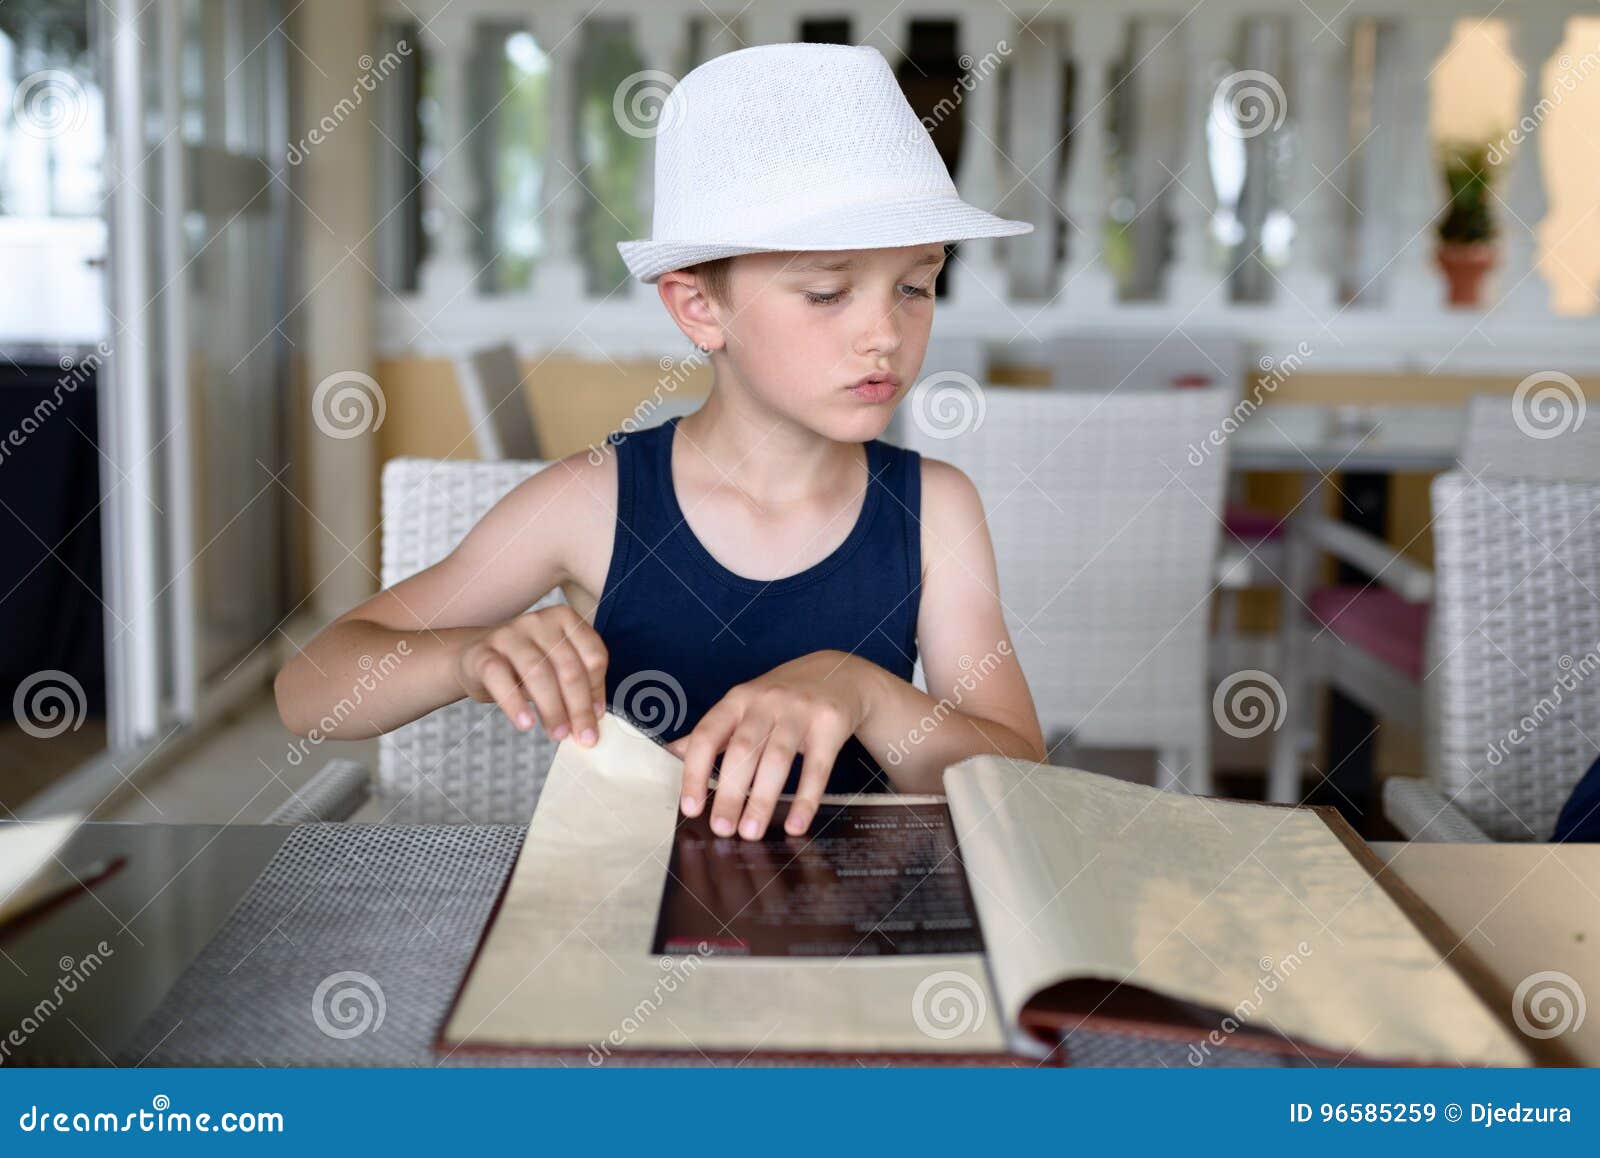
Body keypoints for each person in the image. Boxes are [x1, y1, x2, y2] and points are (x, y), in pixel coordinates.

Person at [275, 42, 1046, 840]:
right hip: (630, 902)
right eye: (827, 292)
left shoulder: (935, 509)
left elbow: (1021, 781)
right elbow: (308, 690)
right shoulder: (592, 503)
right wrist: (464, 657)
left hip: (866, 906)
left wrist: (864, 691)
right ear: (699, 309)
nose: (884, 334)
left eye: (916, 286)